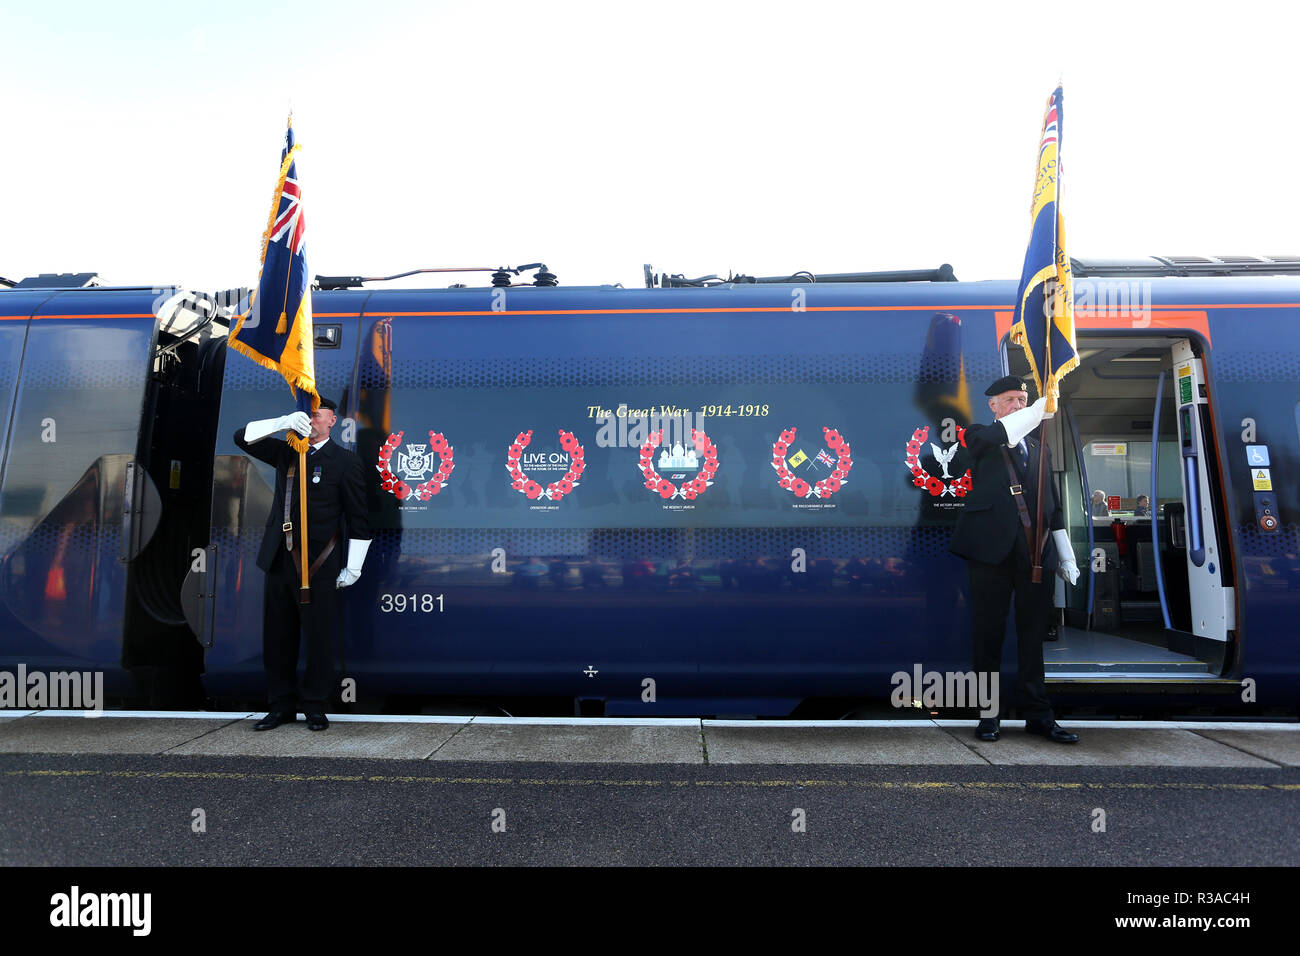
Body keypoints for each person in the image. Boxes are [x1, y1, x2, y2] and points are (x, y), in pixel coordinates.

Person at [948, 376, 1081, 744]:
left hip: (1034, 556)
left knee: (1032, 637)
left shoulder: (1040, 447)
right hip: (989, 554)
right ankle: (988, 716)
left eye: (1024, 399)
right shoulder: (978, 436)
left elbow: (1052, 507)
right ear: (992, 405)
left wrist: (1065, 555)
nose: (1018, 405)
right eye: (1010, 399)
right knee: (988, 637)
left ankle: (1038, 714)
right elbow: (965, 460)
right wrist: (1039, 409)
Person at [234, 398, 371, 731]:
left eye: (315, 414)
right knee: (278, 639)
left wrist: (353, 567)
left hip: (320, 564)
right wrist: (282, 421)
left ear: (331, 420)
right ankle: (280, 706)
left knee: (319, 639)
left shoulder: (344, 462)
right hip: (280, 559)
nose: (310, 420)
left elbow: (359, 518)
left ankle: (314, 706)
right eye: (306, 414)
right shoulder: (287, 453)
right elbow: (242, 436)